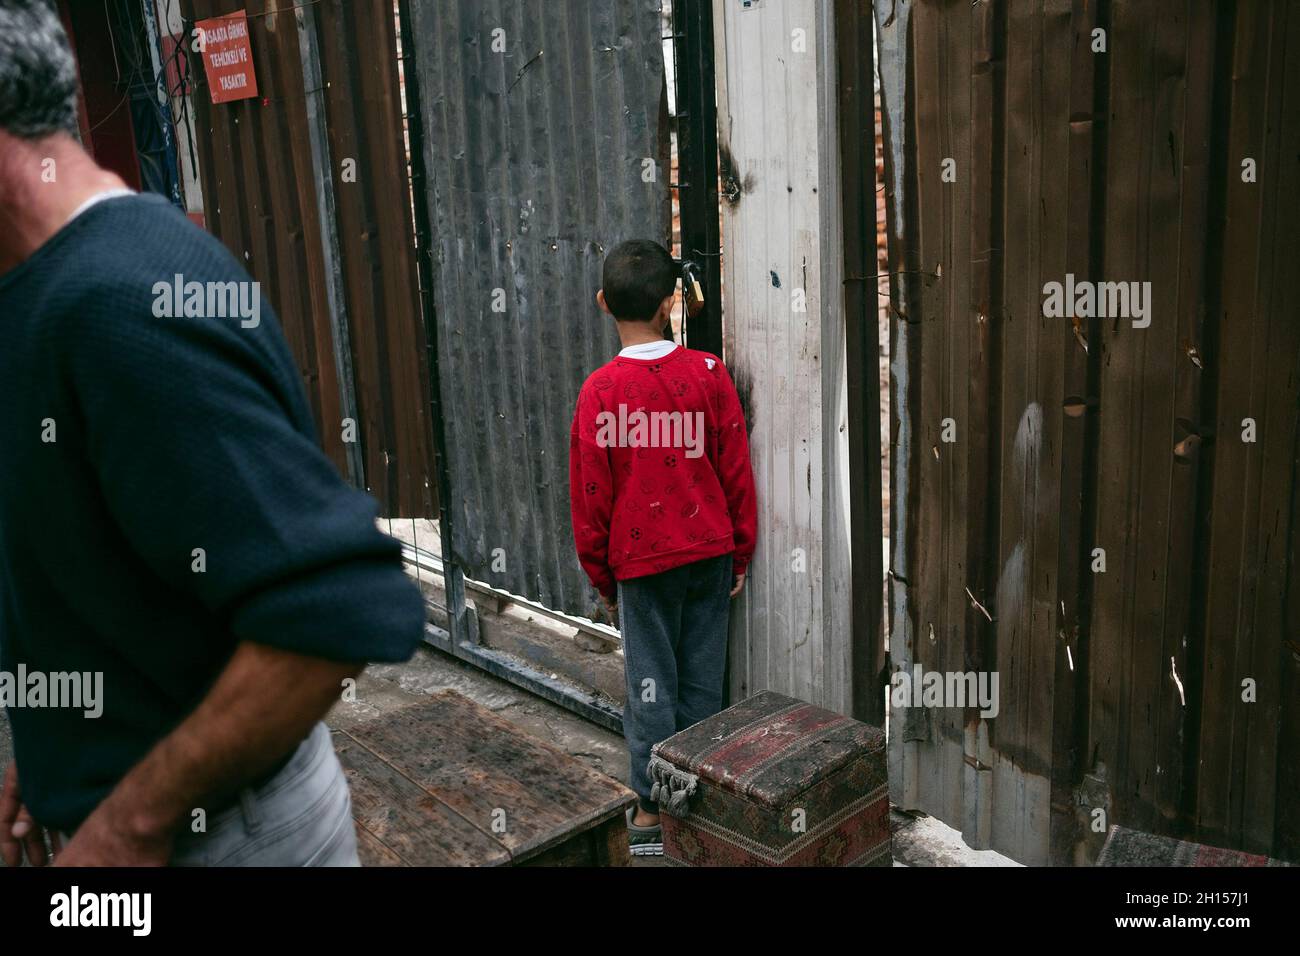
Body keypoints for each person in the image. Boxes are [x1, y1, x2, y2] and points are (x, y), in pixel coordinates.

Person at [0, 0, 425, 866]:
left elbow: (334, 615)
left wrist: (130, 823)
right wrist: (52, 754)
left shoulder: (122, 303)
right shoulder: (44, 293)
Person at [568, 239, 757, 855]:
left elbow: (590, 495)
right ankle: (698, 810)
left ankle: (649, 816)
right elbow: (736, 470)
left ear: (603, 303)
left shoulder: (600, 392)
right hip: (708, 555)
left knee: (651, 687)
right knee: (704, 685)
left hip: (642, 568)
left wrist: (603, 579)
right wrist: (741, 551)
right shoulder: (708, 374)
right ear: (673, 299)